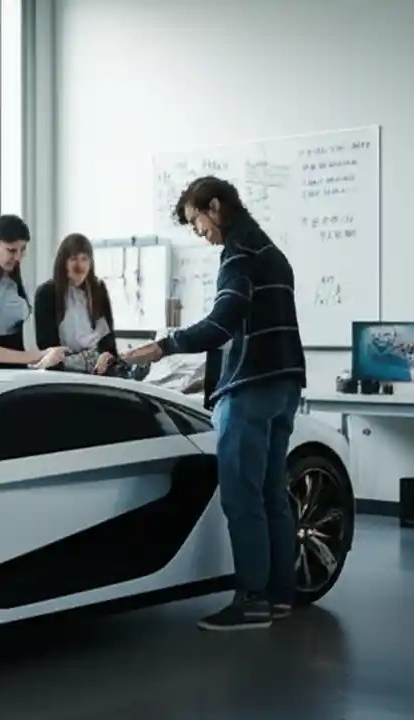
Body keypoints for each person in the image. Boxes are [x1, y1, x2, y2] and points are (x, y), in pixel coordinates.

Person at [123, 176, 307, 631]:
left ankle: (251, 601)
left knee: (242, 497)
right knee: (271, 493)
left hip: (250, 387)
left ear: (215, 207)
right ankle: (279, 595)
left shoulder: (238, 255)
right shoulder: (271, 252)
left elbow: (222, 323)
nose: (199, 233)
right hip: (285, 384)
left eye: (196, 221)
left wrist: (162, 347)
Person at [0, 214, 68, 370]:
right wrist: (39, 356)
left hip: (15, 375)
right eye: (11, 250)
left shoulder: (12, 282)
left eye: (22, 250)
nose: (18, 257)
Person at [33, 233, 118, 374]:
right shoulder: (46, 293)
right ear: (63, 262)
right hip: (62, 370)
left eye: (84, 259)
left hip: (99, 370)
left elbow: (109, 340)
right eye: (73, 259)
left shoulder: (98, 290)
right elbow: (45, 344)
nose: (79, 265)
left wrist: (107, 356)